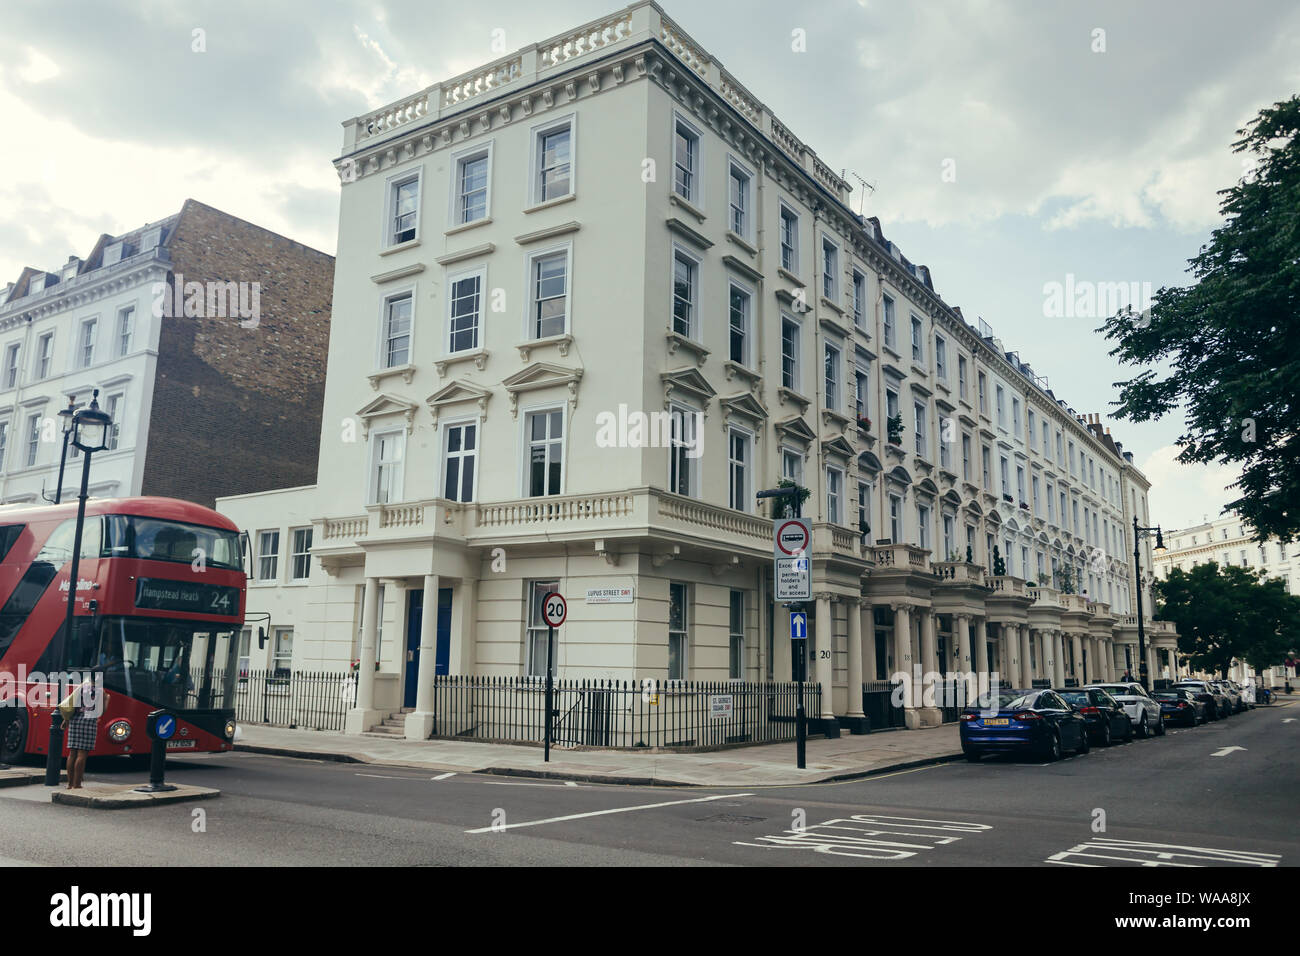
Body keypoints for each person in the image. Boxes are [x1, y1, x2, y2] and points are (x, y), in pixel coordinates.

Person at [63, 680, 106, 790]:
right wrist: (107, 699)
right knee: (82, 754)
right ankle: (77, 784)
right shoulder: (101, 691)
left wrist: (66, 720)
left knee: (72, 753)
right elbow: (101, 711)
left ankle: (69, 784)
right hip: (89, 721)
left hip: (75, 719)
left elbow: (72, 704)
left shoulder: (81, 687)